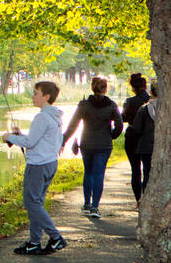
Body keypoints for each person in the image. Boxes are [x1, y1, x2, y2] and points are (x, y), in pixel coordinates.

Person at [3, 81, 66, 255]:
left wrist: (9, 137)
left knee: (32, 204)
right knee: (36, 203)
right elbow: (39, 140)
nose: (33, 96)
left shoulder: (42, 117)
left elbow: (30, 143)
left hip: (38, 166)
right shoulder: (55, 116)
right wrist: (20, 135)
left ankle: (55, 237)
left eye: (36, 93)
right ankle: (34, 242)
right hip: (49, 163)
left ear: (46, 96)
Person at [62, 77, 123, 217]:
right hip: (104, 144)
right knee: (99, 174)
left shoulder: (84, 105)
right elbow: (119, 126)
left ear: (92, 88)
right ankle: (95, 207)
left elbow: (73, 124)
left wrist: (64, 140)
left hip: (87, 143)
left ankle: (86, 203)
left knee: (88, 172)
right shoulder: (112, 105)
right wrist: (111, 135)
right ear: (105, 88)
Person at [127, 81, 157, 203]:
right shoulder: (167, 107)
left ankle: (145, 200)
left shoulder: (144, 109)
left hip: (146, 146)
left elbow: (137, 128)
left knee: (147, 173)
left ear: (151, 92)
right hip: (162, 146)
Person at [121, 73, 151, 199]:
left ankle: (138, 198)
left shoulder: (130, 102)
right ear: (146, 85)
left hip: (132, 137)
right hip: (148, 137)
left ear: (132, 87)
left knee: (135, 170)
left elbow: (123, 118)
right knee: (148, 170)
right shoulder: (151, 101)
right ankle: (146, 197)